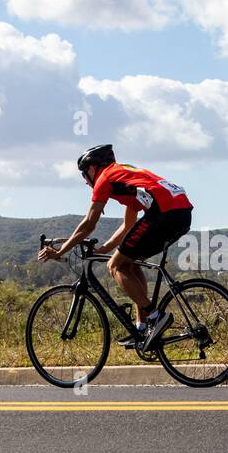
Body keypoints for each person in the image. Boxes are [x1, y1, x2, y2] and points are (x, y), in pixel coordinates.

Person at [39, 144, 192, 351]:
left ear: (93, 169)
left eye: (84, 175)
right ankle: (142, 327)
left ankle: (156, 316)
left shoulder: (105, 177)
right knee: (129, 262)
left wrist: (60, 251)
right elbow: (128, 225)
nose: (85, 181)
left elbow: (88, 224)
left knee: (115, 266)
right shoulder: (124, 178)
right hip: (180, 212)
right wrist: (105, 248)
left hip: (164, 212)